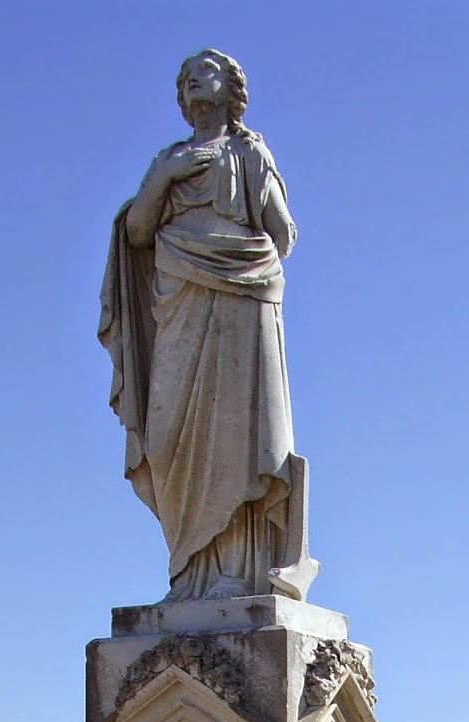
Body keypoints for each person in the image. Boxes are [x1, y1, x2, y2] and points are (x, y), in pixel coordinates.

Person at [99, 51, 314, 601]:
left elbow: (283, 236)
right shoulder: (168, 160)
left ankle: (237, 573)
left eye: (207, 71)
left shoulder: (249, 152)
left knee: (241, 436)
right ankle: (188, 573)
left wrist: (262, 210)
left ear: (231, 89)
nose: (194, 78)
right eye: (186, 75)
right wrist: (162, 178)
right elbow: (140, 232)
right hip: (180, 306)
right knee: (170, 435)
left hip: (242, 302)